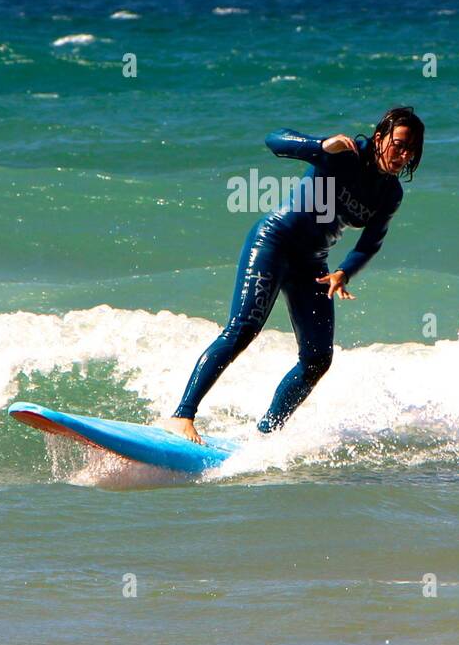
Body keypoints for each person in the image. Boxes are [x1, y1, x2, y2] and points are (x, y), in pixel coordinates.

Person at [163, 106, 424, 443]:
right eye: (398, 144)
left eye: (410, 150)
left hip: (312, 263)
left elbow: (371, 241)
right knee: (243, 329)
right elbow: (276, 141)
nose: (403, 155)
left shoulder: (390, 194)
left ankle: (263, 436)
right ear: (379, 138)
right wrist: (320, 145)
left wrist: (344, 271)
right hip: (274, 243)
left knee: (317, 360)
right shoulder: (343, 155)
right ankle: (182, 415)